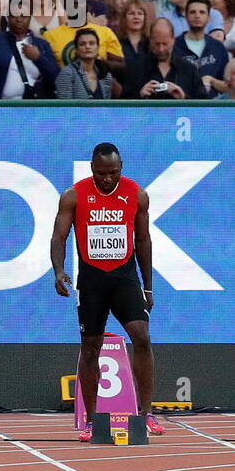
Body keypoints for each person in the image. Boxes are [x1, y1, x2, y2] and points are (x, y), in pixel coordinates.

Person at [50, 143, 166, 441]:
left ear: (121, 167)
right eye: (101, 173)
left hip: (125, 279)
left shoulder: (136, 194)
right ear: (92, 168)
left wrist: (148, 285)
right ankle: (91, 421)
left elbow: (143, 241)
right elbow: (59, 236)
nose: (107, 179)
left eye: (113, 172)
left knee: (141, 337)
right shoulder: (74, 195)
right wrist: (59, 270)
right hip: (92, 282)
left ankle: (146, 413)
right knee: (90, 348)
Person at [54, 27, 116, 99]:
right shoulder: (67, 73)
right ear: (76, 49)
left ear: (98, 48)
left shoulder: (105, 74)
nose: (87, 46)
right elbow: (64, 106)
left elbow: (107, 104)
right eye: (82, 44)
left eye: (91, 43)